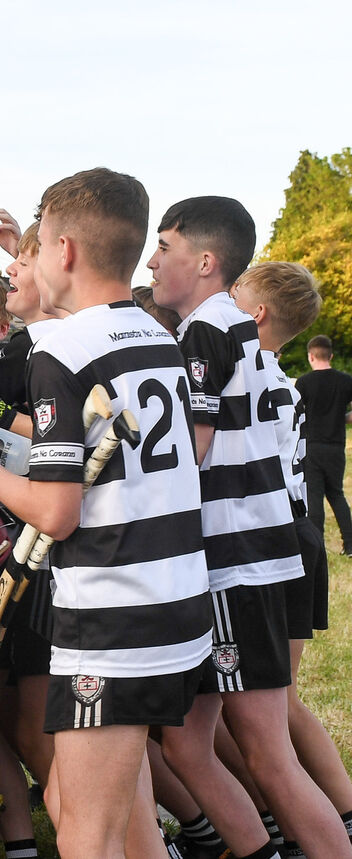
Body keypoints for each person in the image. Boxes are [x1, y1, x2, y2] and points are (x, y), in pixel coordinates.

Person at [0, 168, 212, 858]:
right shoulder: (156, 335)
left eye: (37, 250)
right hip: (176, 598)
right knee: (96, 811)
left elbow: (57, 511)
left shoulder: (61, 351)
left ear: (62, 252)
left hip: (112, 611)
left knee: (86, 830)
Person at [149, 196, 351, 859]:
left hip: (236, 563)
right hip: (248, 554)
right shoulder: (231, 328)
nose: (154, 260)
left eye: (166, 247)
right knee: (186, 741)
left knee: (266, 753)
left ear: (205, 262)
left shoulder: (209, 328)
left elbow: (191, 450)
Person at [231, 263, 352, 844]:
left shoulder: (256, 373)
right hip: (293, 530)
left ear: (255, 313)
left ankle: (324, 821)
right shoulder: (275, 373)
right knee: (275, 706)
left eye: (235, 293)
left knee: (275, 709)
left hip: (281, 535)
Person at [296, 334, 352, 555]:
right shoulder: (346, 381)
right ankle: (349, 545)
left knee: (314, 498)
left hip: (312, 447)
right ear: (331, 355)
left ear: (311, 356)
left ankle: (316, 547)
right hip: (336, 446)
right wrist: (344, 417)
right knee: (337, 495)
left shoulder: (304, 383)